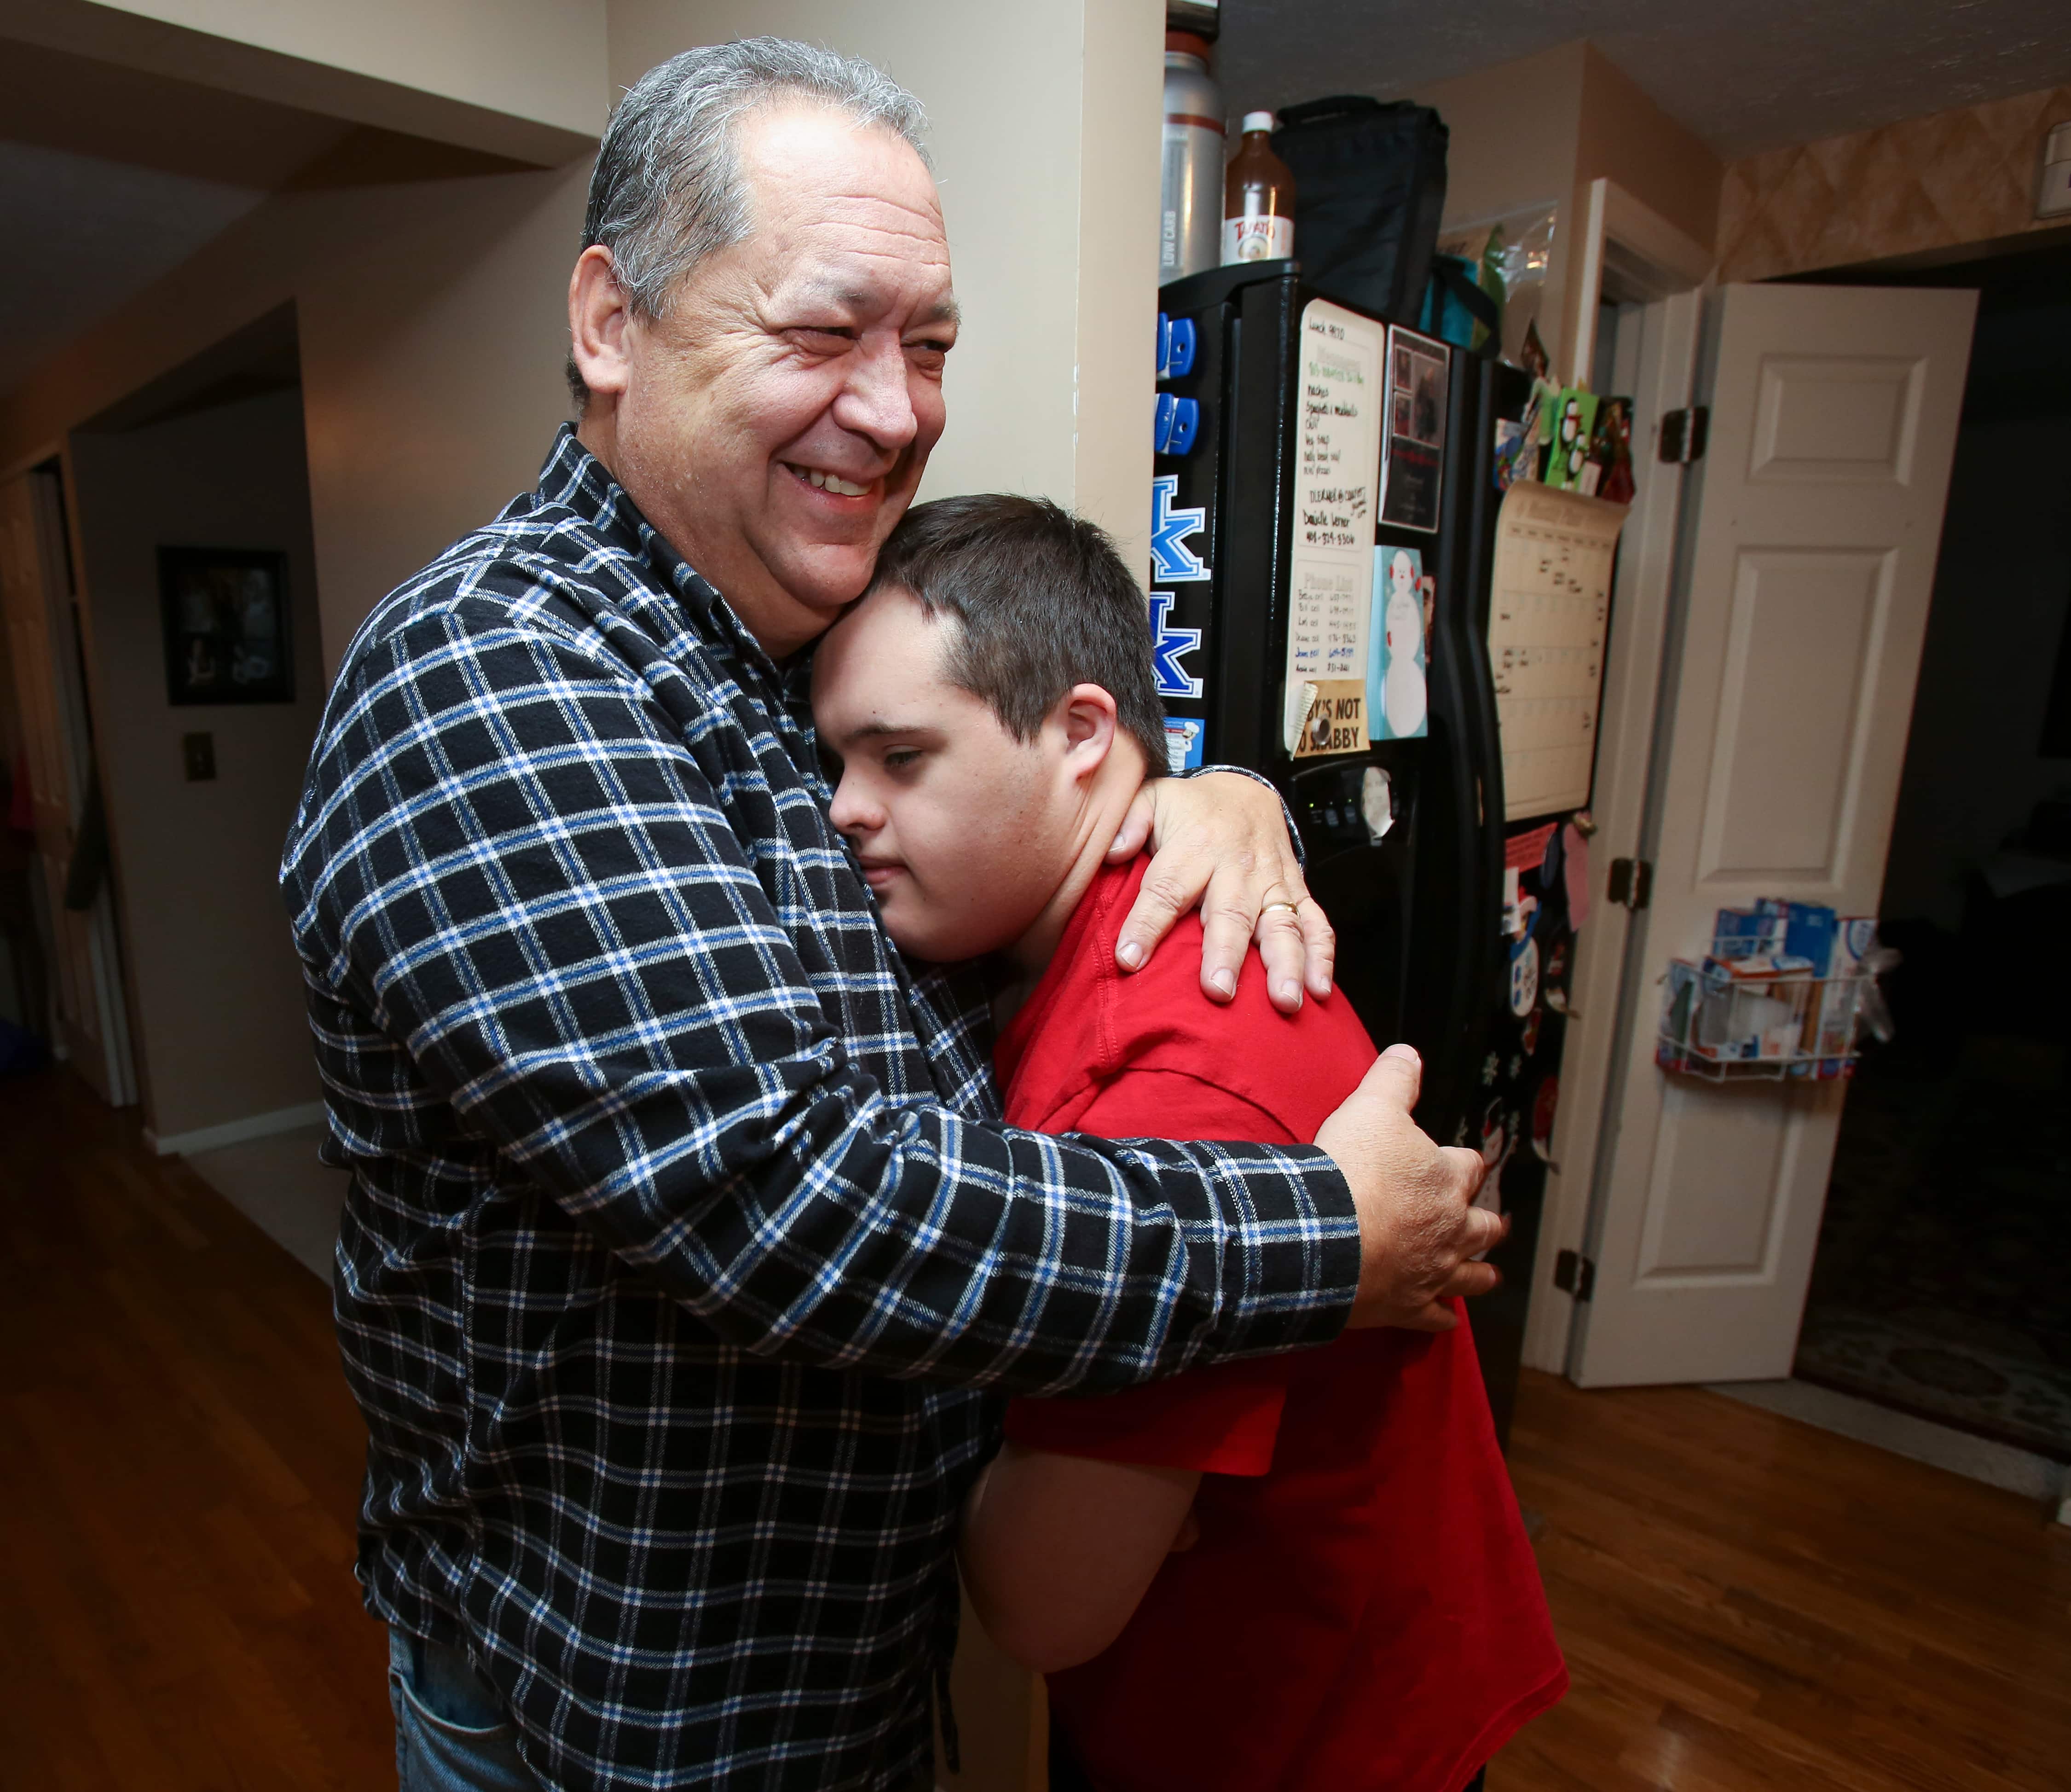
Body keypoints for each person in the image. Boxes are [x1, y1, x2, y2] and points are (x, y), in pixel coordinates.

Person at [279, 39, 1499, 1792]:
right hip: (622, 1723)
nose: (896, 406)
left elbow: (987, 827)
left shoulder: (769, 645)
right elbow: (776, 1192)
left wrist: (1200, 788)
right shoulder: (497, 679)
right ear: (612, 325)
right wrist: (1318, 1237)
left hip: (834, 1687)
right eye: (822, 332)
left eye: (928, 347)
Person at [811, 493, 1565, 1792]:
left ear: (1082, 735)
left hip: (1306, 1731)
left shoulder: (1177, 1063)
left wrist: (965, 1437)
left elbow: (1043, 1608)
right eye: (834, 762)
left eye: (900, 758)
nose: (842, 811)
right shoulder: (1066, 938)